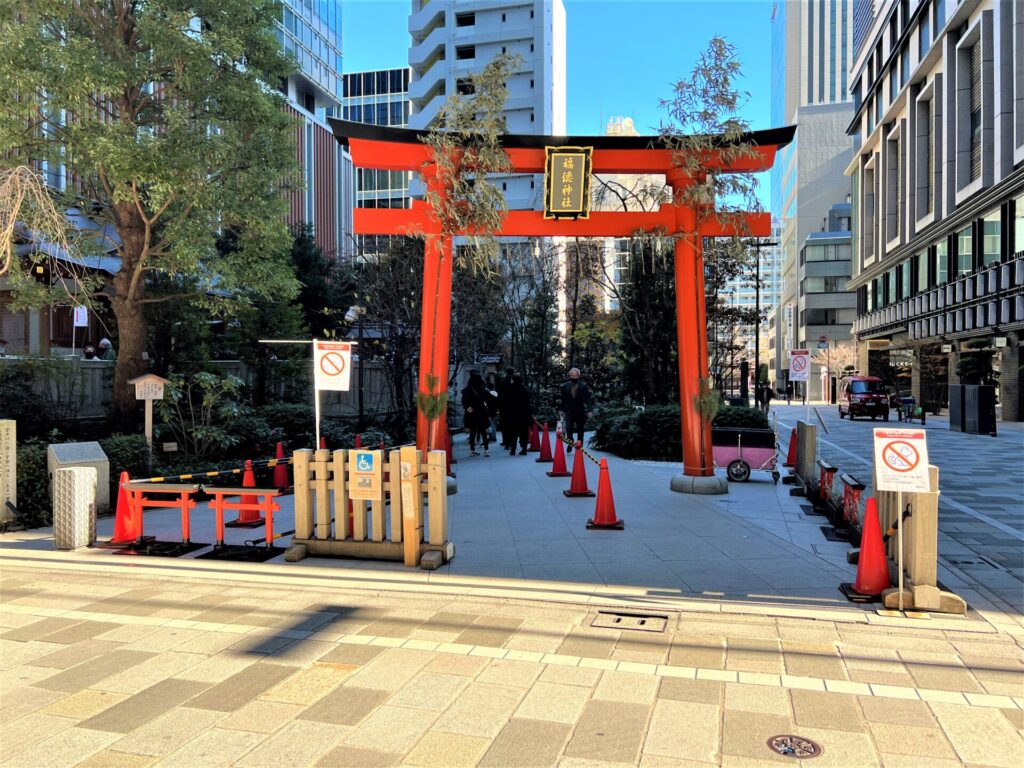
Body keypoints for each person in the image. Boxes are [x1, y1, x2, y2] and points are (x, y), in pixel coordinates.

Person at [560, 367, 592, 451]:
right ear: (569, 375)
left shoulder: (583, 386)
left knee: (580, 429)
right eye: (572, 375)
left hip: (579, 411)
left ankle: (579, 445)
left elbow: (588, 398)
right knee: (569, 428)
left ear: (579, 376)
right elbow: (563, 399)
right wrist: (561, 410)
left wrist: (590, 410)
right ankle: (570, 443)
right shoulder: (565, 386)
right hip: (569, 411)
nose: (574, 377)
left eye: (575, 375)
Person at [461, 371, 491, 456]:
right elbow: (487, 399)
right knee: (483, 432)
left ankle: (472, 450)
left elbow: (464, 401)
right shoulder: (483, 389)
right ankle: (486, 450)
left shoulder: (467, 390)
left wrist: (469, 409)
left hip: (472, 414)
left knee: (472, 432)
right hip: (482, 413)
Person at [502, 374, 532, 455]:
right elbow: (528, 404)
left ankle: (513, 449)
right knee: (524, 433)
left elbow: (505, 402)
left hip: (512, 415)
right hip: (523, 415)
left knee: (513, 433)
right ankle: (524, 448)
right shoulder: (524, 390)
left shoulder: (509, 389)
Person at [496, 367, 515, 450]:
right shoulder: (515, 381)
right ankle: (512, 441)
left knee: (505, 425)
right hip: (513, 406)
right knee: (512, 425)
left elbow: (499, 393)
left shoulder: (503, 381)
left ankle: (506, 442)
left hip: (504, 406)